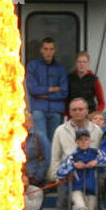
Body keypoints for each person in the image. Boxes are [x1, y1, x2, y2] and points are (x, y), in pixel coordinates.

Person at [49, 97, 101, 210]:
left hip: (90, 180)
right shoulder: (61, 130)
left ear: (87, 111)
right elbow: (55, 156)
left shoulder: (96, 131)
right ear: (70, 112)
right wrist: (56, 176)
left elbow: (101, 155)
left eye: (81, 109)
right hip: (67, 179)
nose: (78, 112)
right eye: (74, 110)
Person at [26, 37, 67, 168]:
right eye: (46, 49)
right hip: (38, 110)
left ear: (55, 50)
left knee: (55, 144)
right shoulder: (32, 66)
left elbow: (64, 92)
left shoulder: (60, 68)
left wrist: (43, 94)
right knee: (41, 143)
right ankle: (41, 172)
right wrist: (52, 89)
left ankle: (52, 171)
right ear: (41, 50)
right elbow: (33, 90)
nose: (48, 52)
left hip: (56, 111)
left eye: (51, 49)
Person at [65, 51, 103, 116]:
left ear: (88, 63)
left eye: (84, 62)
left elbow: (101, 103)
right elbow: (65, 100)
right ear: (75, 63)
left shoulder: (94, 80)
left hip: (89, 115)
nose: (81, 64)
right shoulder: (69, 78)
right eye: (79, 62)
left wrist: (94, 115)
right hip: (72, 116)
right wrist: (66, 115)